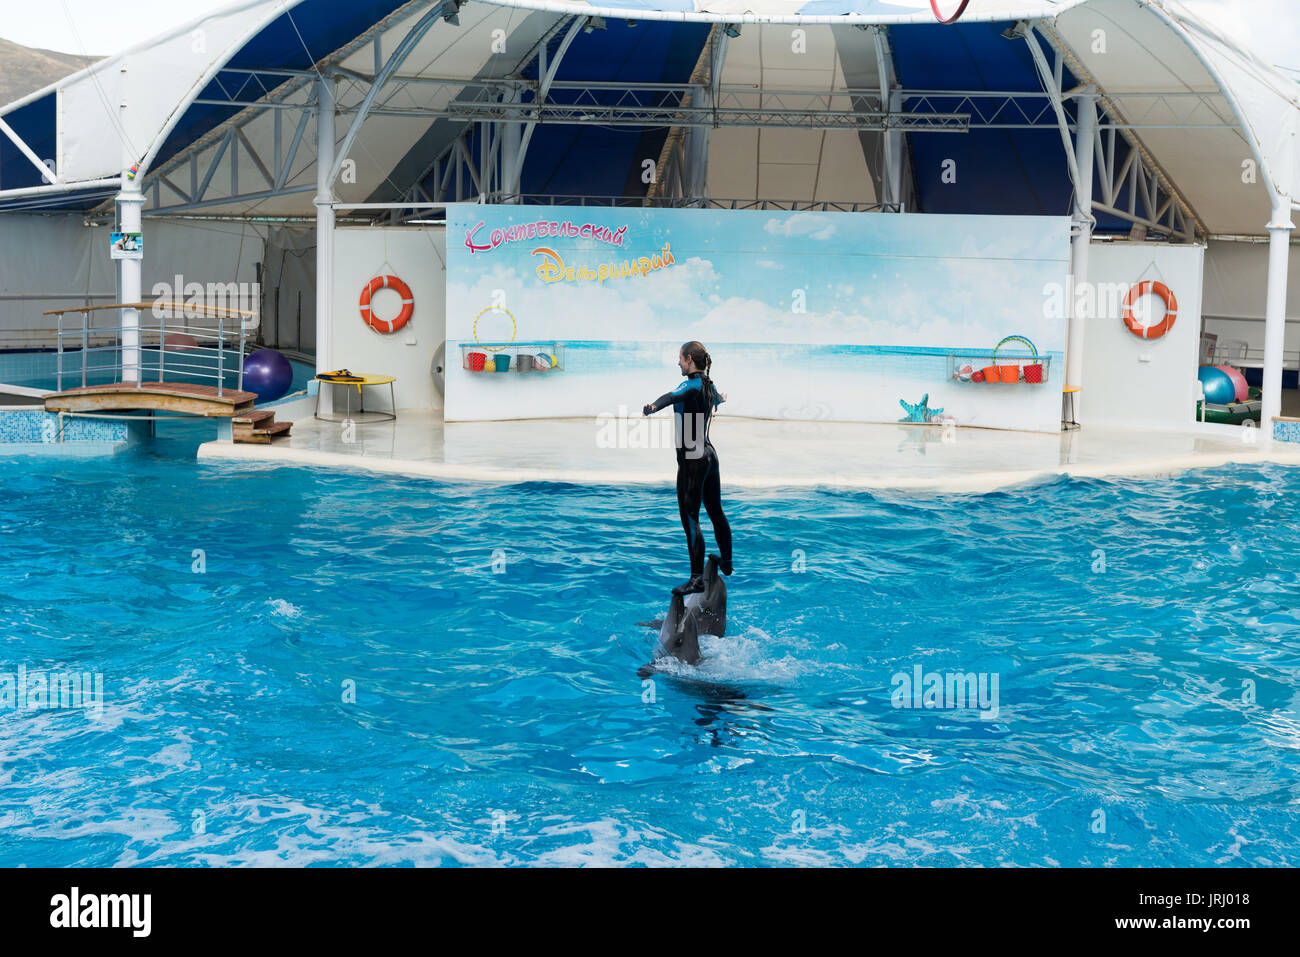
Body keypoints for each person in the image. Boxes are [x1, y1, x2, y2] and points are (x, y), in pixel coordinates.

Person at [643, 341, 734, 594]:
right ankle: (726, 563)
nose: (679, 363)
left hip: (692, 458)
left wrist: (653, 406)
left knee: (690, 517)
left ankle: (696, 579)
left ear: (690, 360)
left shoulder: (691, 384)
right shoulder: (708, 385)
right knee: (716, 511)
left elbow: (672, 397)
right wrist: (721, 400)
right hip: (709, 454)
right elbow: (717, 398)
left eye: (681, 359)